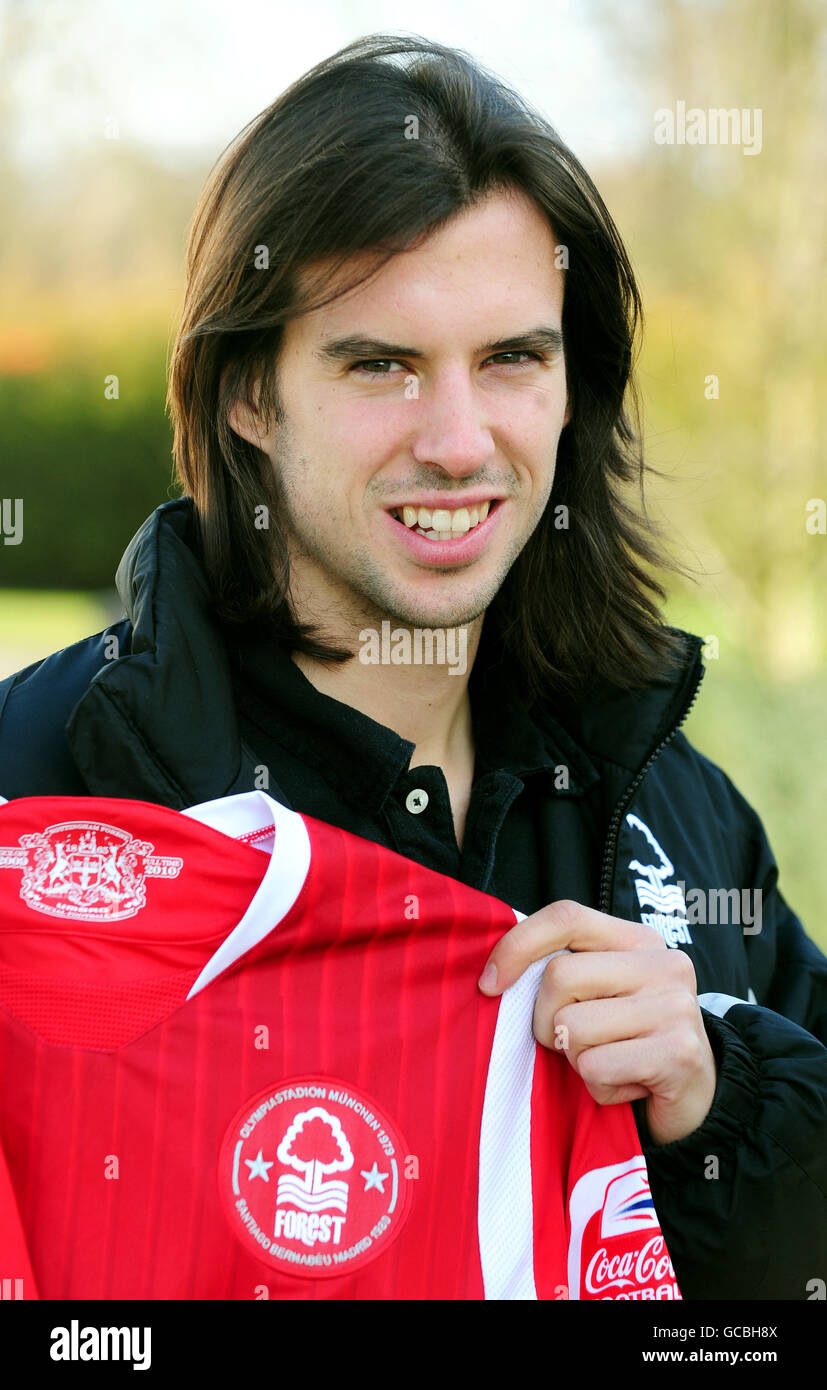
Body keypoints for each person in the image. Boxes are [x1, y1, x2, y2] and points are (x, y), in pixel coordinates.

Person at [0, 33, 824, 1300]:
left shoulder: (671, 807)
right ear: (247, 398)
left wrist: (715, 1110)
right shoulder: (38, 793)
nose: (457, 440)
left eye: (511, 359)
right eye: (379, 364)